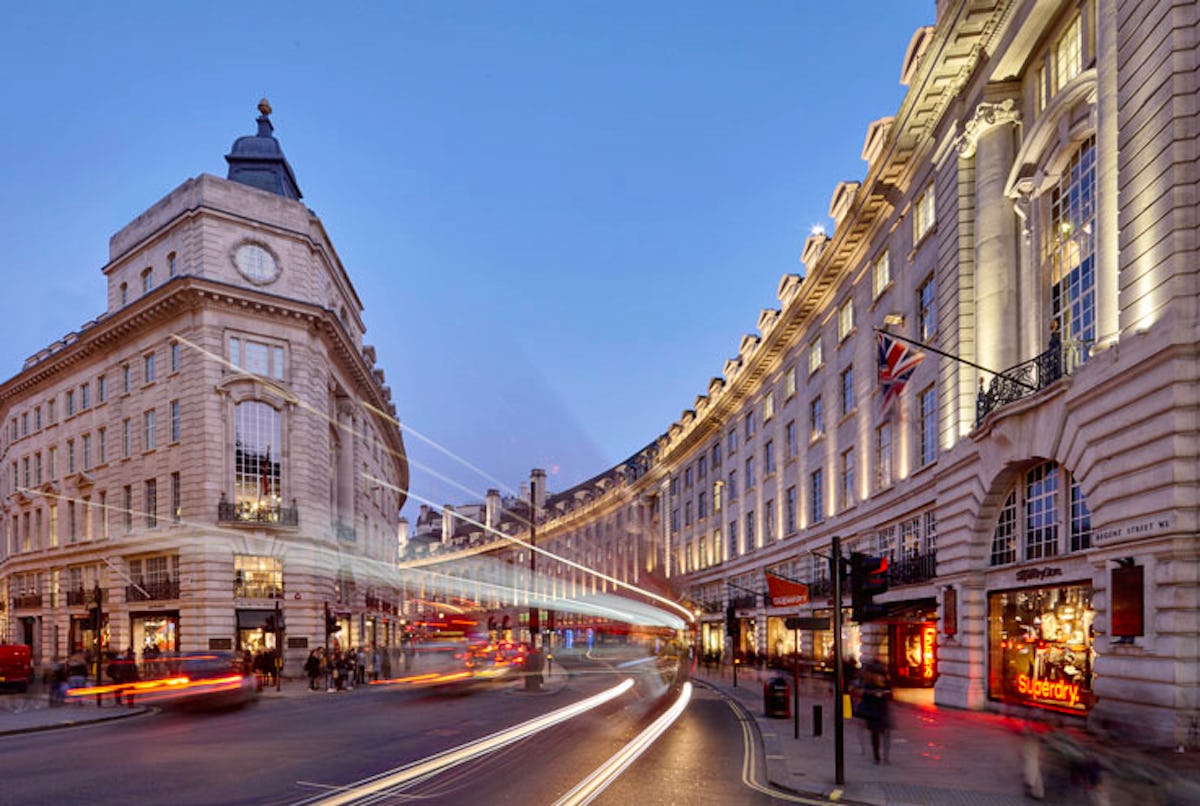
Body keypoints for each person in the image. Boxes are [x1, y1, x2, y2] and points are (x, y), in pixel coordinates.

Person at [858, 665, 892, 764]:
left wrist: (885, 694)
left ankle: (885, 755)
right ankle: (876, 755)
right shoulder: (869, 684)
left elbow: (890, 695)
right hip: (872, 713)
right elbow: (864, 695)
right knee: (875, 735)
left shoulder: (885, 684)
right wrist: (873, 694)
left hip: (882, 712)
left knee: (885, 734)